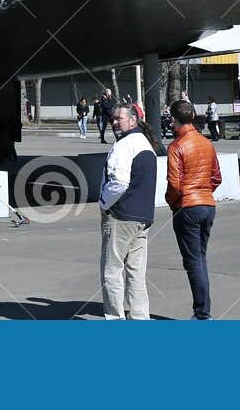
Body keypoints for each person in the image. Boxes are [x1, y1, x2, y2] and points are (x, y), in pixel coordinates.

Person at [98, 104, 157, 320]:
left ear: (132, 120)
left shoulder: (124, 145)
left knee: (111, 272)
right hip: (143, 218)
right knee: (136, 274)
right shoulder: (146, 144)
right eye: (112, 118)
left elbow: (119, 183)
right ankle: (140, 319)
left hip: (121, 217)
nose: (114, 122)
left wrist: (104, 204)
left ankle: (115, 319)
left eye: (118, 118)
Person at [167, 98, 222, 319]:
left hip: (187, 206)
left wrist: (173, 202)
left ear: (174, 120)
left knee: (193, 261)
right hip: (207, 205)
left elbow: (174, 184)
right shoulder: (206, 143)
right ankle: (203, 311)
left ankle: (202, 314)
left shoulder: (177, 146)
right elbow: (216, 177)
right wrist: (204, 192)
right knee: (199, 257)